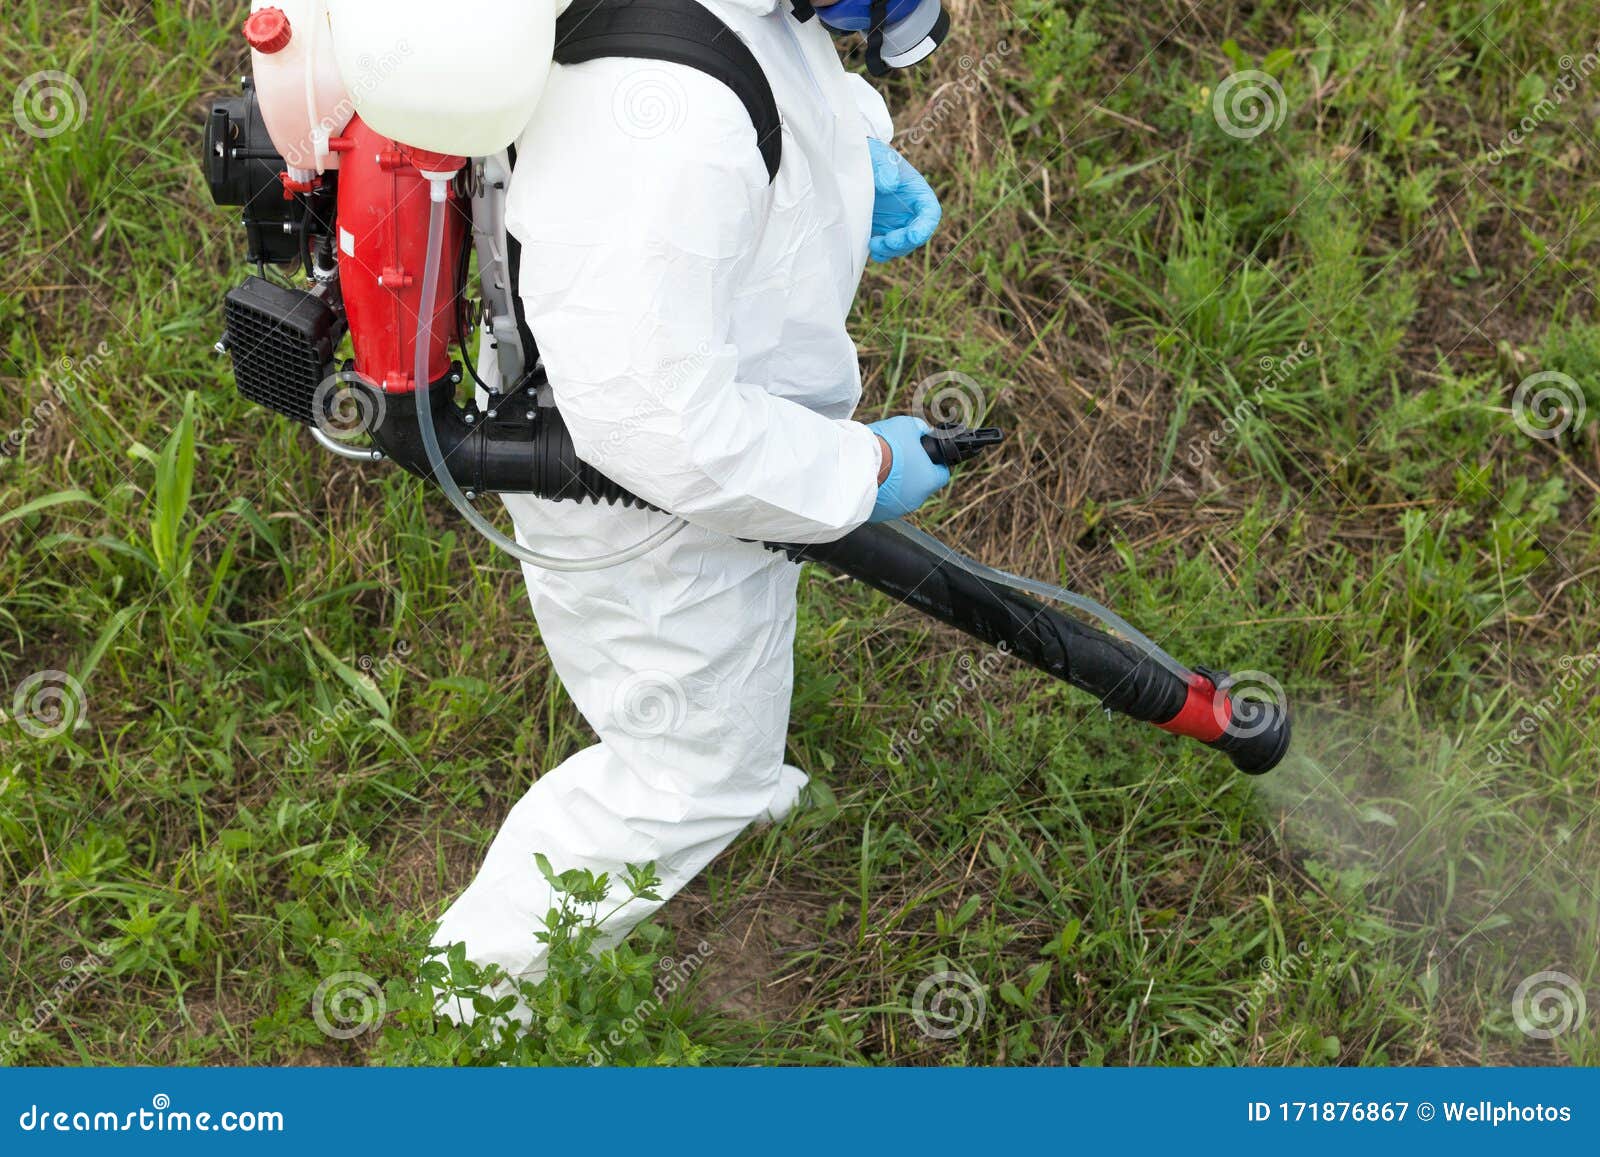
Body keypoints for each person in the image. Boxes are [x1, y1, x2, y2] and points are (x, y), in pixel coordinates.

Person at [432, 0, 948, 1008]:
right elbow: (657, 427)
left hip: (715, 439)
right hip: (643, 503)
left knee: (739, 632)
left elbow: (752, 65)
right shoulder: (670, 130)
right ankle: (469, 997)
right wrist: (861, 469)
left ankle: (737, 753)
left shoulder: (733, 38)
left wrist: (840, 151)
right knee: (683, 774)